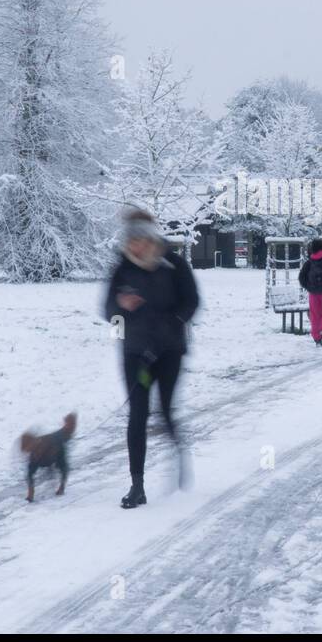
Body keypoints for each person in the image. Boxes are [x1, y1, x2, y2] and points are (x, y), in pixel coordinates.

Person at [103, 208, 200, 509]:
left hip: (168, 352)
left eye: (140, 240)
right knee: (137, 415)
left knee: (165, 411)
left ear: (150, 239)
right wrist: (120, 308)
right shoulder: (122, 268)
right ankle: (137, 486)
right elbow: (107, 312)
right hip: (134, 354)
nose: (135, 246)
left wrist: (172, 324)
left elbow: (192, 302)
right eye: (131, 241)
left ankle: (178, 451)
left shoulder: (173, 264)